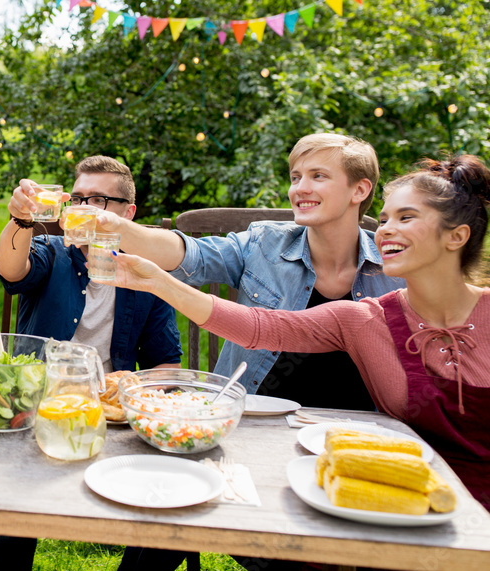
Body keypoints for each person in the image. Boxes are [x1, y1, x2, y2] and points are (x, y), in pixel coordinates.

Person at [104, 154, 490, 512]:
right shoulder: (363, 318)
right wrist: (157, 281)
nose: (386, 231)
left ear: (456, 237)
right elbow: (261, 326)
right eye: (385, 220)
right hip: (407, 503)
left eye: (405, 218)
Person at [97, 133, 403, 410]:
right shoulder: (264, 244)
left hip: (360, 427)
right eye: (295, 177)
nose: (300, 188)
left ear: (359, 190)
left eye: (318, 176)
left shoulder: (395, 268)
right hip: (255, 417)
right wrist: (117, 226)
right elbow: (189, 254)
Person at [0, 155, 182, 571]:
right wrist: (20, 220)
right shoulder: (53, 253)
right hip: (36, 407)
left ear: (129, 213)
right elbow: (10, 270)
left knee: (175, 502)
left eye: (100, 200)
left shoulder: (147, 274)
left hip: (113, 417)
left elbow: (167, 363)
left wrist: (131, 386)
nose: (85, 208)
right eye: (78, 198)